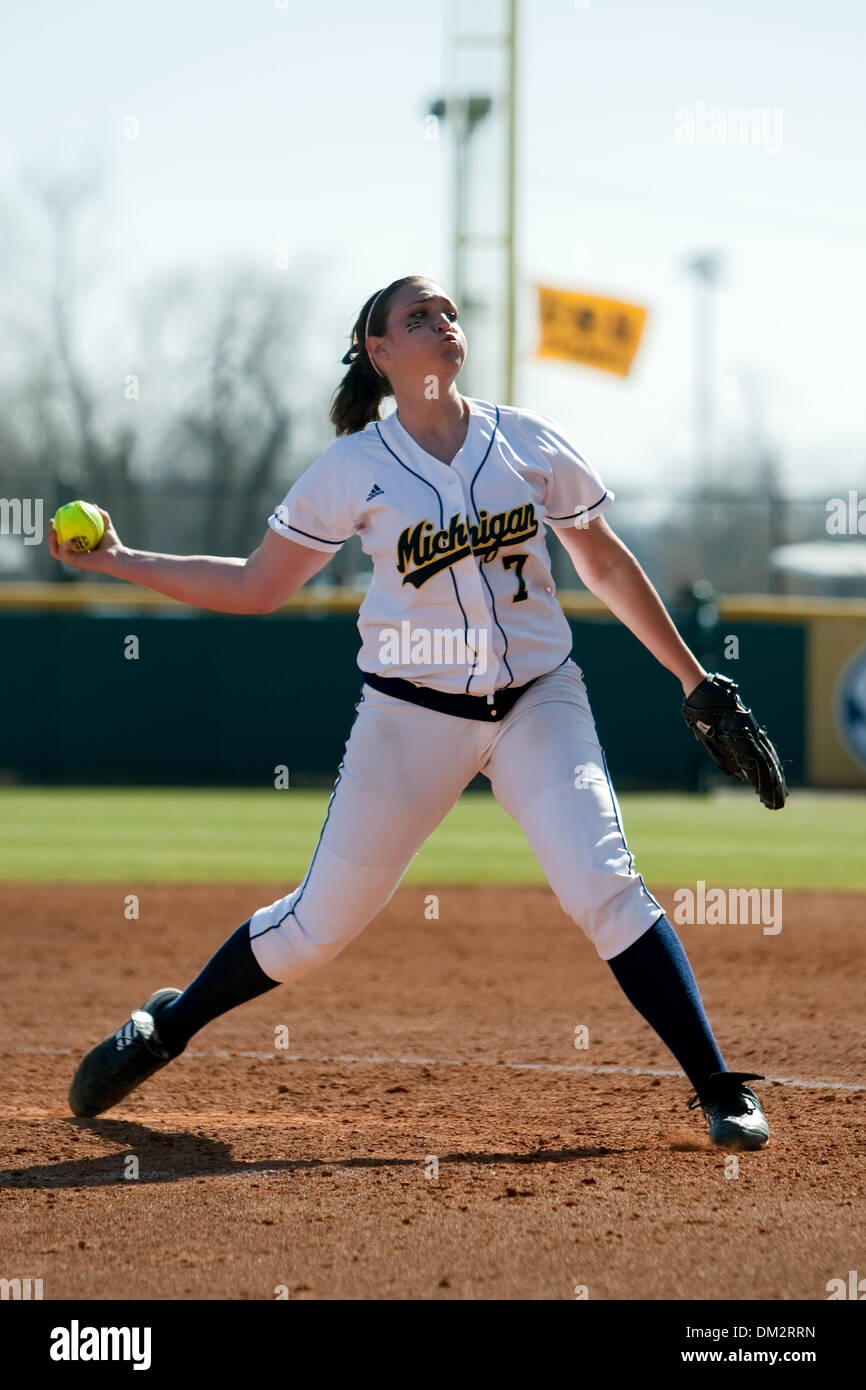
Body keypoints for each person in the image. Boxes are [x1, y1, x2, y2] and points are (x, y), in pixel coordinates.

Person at [50, 273, 769, 1151]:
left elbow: (607, 566)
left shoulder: (528, 443)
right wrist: (120, 559)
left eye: (449, 312)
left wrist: (695, 681)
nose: (443, 323)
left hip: (540, 702)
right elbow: (254, 585)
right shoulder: (353, 468)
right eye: (418, 316)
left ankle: (718, 1087)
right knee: (317, 929)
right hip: (409, 718)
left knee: (604, 881)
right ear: (381, 353)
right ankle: (169, 1024)